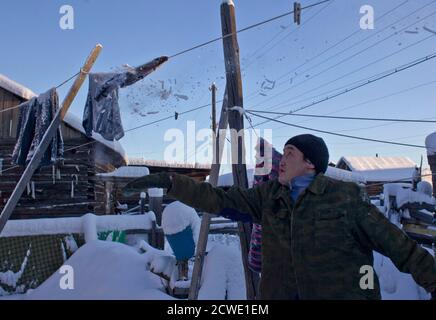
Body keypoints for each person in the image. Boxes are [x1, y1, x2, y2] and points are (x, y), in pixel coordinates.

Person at [123, 134, 436, 300]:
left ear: (311, 164)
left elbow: (398, 246)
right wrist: (171, 183)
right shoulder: (269, 196)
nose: (281, 160)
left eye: (290, 154)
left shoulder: (345, 199)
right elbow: (218, 198)